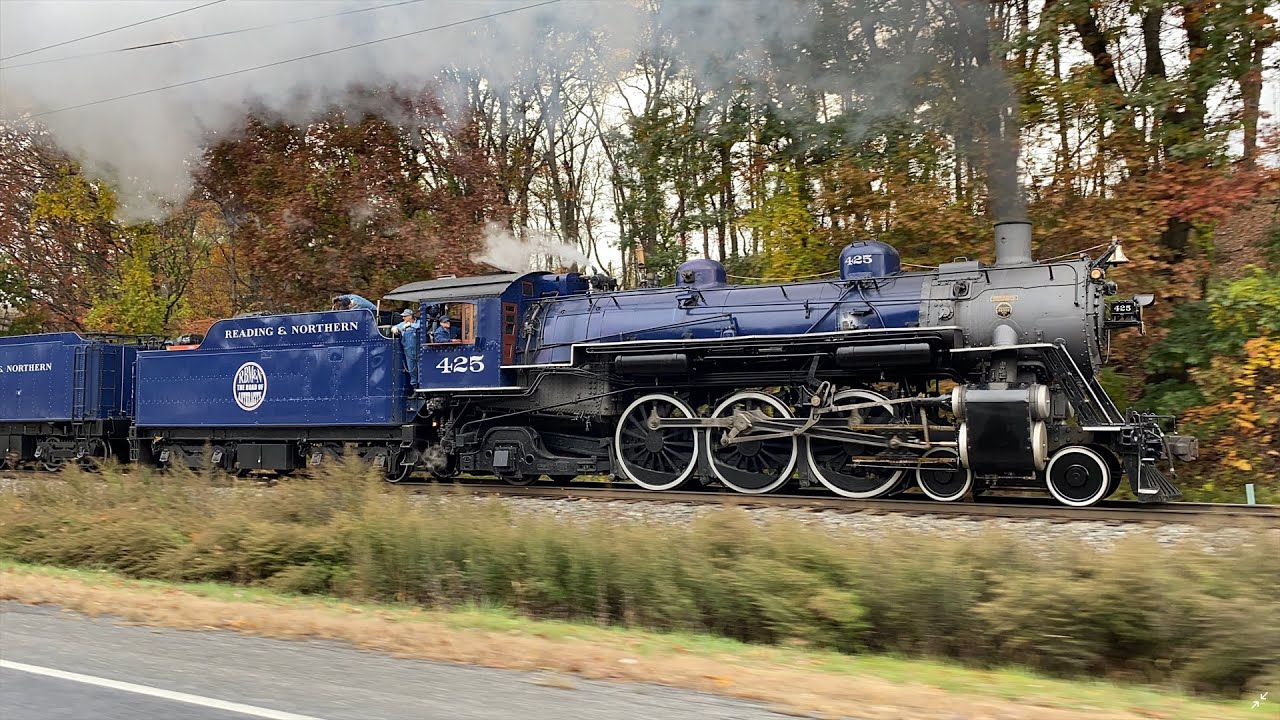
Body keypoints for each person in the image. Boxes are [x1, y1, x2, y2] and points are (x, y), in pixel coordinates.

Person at [395, 308, 422, 384]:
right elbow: (396, 327)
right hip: (408, 351)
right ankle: (414, 385)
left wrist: (411, 325)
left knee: (421, 369)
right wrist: (394, 328)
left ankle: (421, 384)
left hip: (419, 350)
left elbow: (421, 326)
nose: (403, 318)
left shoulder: (419, 322)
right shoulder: (402, 324)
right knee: (411, 369)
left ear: (410, 316)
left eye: (405, 316)